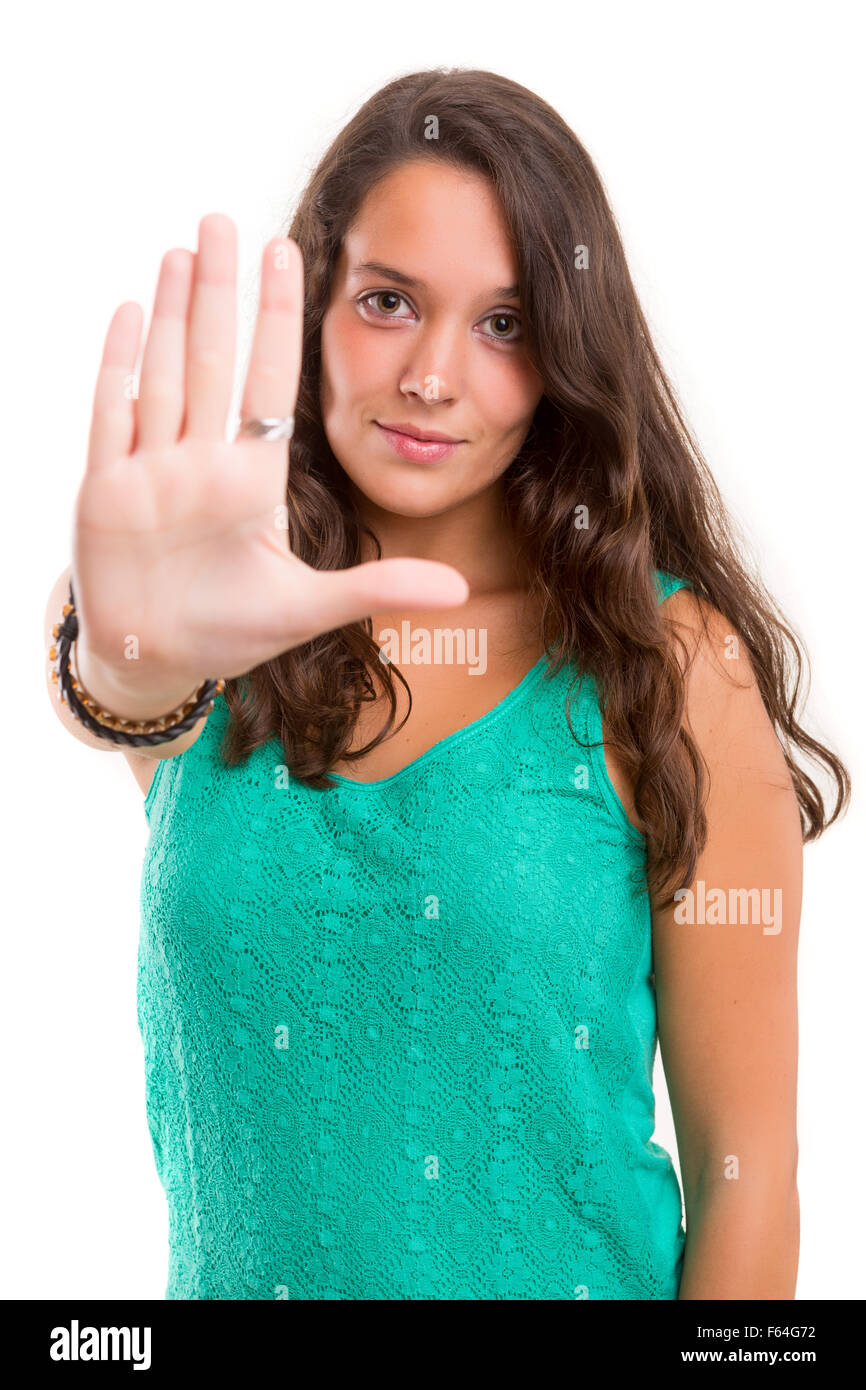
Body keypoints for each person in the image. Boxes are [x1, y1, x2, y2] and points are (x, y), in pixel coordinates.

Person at [44, 68, 849, 1300]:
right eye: (385, 301)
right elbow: (120, 692)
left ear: (567, 354)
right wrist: (123, 658)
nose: (431, 375)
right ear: (311, 304)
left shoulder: (670, 667)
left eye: (503, 323)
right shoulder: (190, 606)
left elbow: (749, 1183)